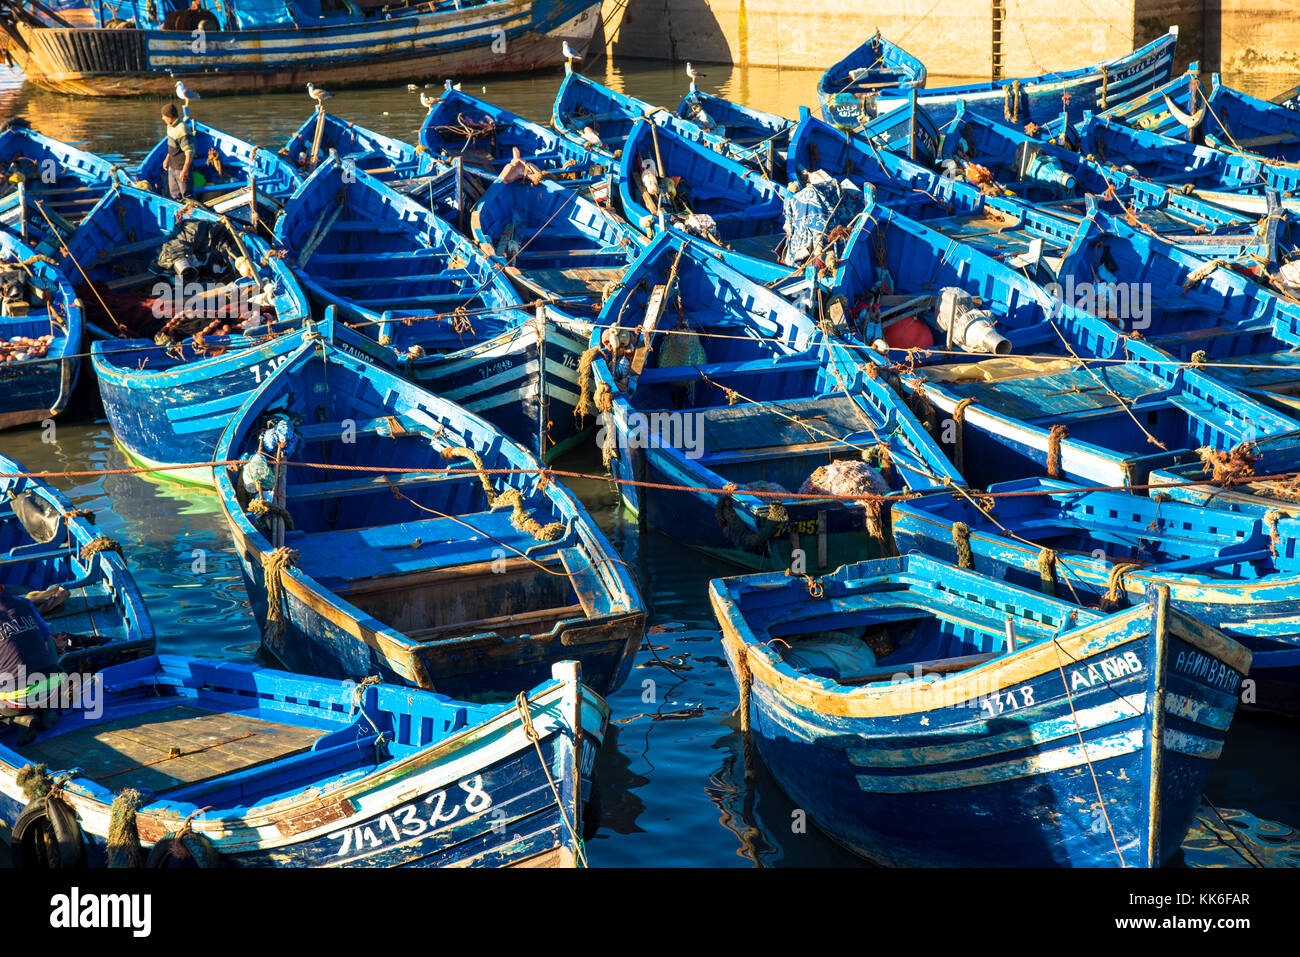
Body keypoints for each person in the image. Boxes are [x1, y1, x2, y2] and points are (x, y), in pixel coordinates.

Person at [0, 588, 63, 743]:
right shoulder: (24, 603)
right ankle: (43, 711)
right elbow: (47, 639)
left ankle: (19, 719)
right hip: (52, 688)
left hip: (16, 699)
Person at [161, 103, 195, 201]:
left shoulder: (182, 129)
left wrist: (185, 170)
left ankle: (190, 214)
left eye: (164, 116)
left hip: (181, 167)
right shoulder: (170, 126)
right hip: (172, 166)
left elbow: (189, 152)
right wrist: (167, 159)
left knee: (186, 196)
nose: (163, 118)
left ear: (170, 117)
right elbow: (173, 146)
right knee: (174, 194)